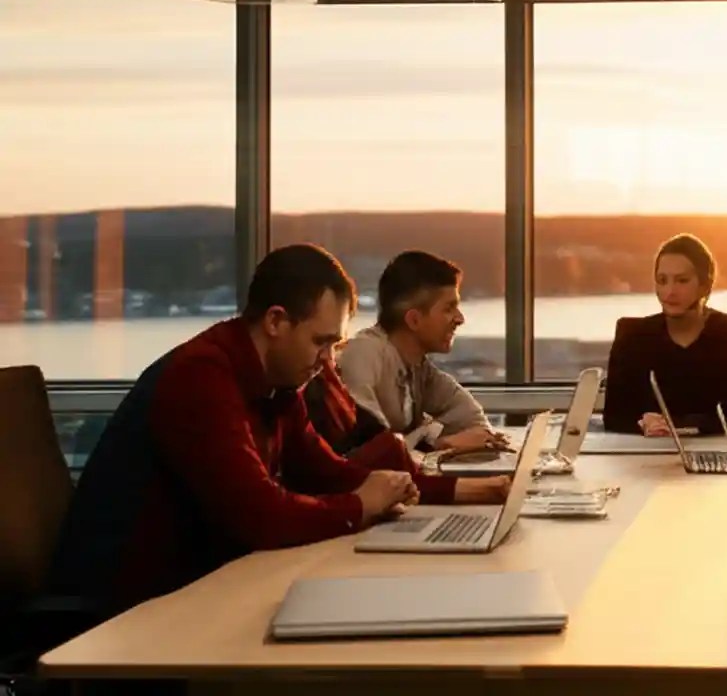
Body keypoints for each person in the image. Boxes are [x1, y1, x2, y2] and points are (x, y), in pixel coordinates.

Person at [49, 244, 509, 618]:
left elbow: (326, 473)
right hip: (129, 609)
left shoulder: (278, 383)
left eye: (335, 344)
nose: (329, 361)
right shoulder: (201, 377)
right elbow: (263, 516)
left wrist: (466, 493)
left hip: (199, 586)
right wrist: (360, 504)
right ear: (275, 322)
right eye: (320, 341)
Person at [331, 251, 506, 453]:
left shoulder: (418, 369)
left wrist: (432, 436)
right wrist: (438, 443)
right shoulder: (363, 354)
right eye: (449, 308)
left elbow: (474, 424)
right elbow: (370, 452)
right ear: (414, 320)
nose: (460, 319)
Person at [602, 233, 727, 436]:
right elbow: (614, 416)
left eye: (682, 281)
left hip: (726, 456)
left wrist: (679, 425)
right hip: (648, 454)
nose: (670, 291)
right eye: (662, 280)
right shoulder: (632, 338)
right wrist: (642, 423)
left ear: (705, 285)